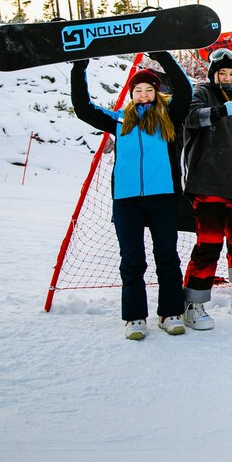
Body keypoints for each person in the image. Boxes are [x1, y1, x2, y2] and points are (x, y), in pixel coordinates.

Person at [71, 52, 192, 340]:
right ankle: (135, 317)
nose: (144, 94)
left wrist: (161, 55)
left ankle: (170, 313)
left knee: (167, 256)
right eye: (138, 90)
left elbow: (185, 90)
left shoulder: (168, 116)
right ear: (131, 93)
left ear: (157, 91)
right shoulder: (117, 120)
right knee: (132, 259)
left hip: (163, 198)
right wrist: (80, 66)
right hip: (126, 201)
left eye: (149, 89)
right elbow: (82, 107)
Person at [178, 48, 232, 330]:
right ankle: (194, 303)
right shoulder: (202, 92)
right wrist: (222, 110)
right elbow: (191, 118)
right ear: (213, 74)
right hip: (208, 184)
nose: (227, 78)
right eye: (223, 73)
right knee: (209, 244)